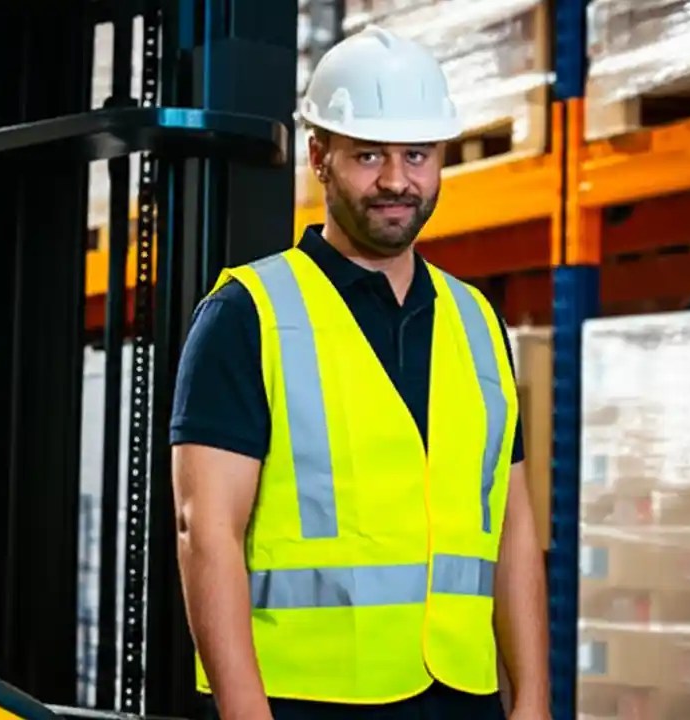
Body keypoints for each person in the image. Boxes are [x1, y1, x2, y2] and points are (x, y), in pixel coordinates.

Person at [168, 24, 550, 720]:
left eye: (417, 154)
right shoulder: (247, 315)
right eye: (368, 155)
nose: (397, 180)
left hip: (462, 699)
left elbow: (513, 522)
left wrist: (532, 700)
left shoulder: (476, 321)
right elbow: (206, 531)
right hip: (307, 701)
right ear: (319, 156)